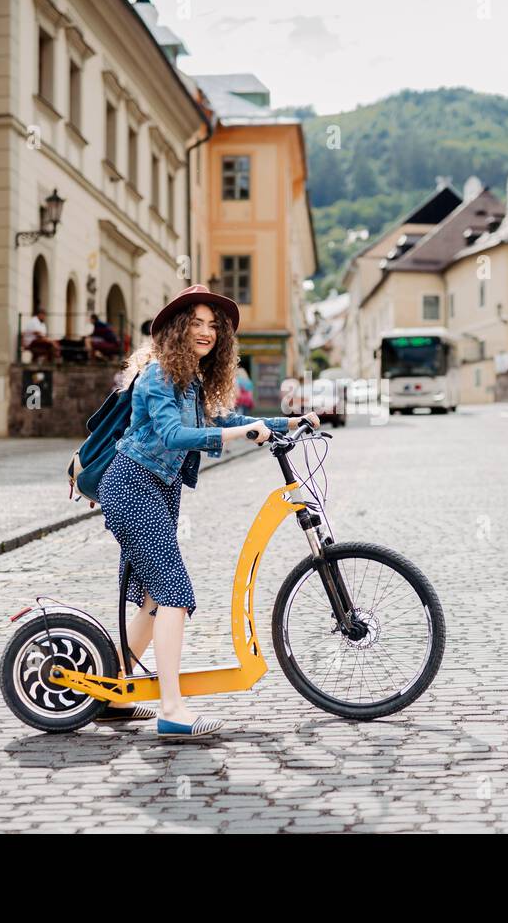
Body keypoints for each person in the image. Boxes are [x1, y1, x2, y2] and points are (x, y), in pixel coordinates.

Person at [95, 283, 320, 739]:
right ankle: (172, 710)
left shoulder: (191, 381)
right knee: (174, 593)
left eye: (213, 326)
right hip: (133, 487)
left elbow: (227, 421)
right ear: (178, 329)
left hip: (158, 490)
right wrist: (242, 437)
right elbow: (174, 435)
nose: (206, 332)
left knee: (154, 599)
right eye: (196, 323)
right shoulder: (158, 375)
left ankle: (112, 692)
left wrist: (289, 422)